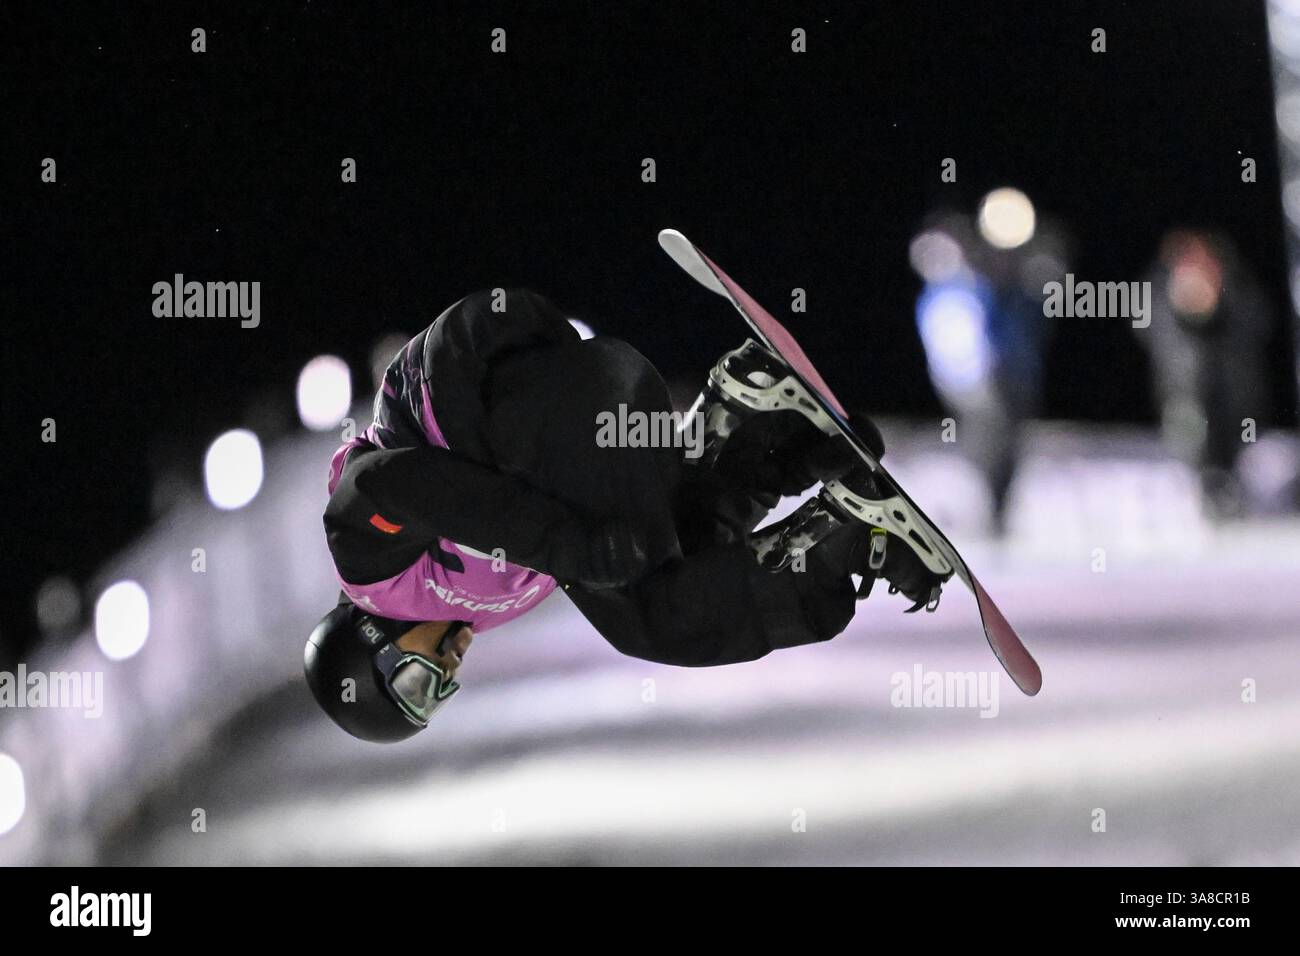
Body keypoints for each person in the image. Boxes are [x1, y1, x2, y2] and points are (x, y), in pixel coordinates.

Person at [304, 288, 947, 742]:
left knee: (651, 619)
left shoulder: (373, 575)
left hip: (513, 397)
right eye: (438, 698)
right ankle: (761, 424)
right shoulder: (471, 605)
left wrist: (567, 548)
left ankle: (856, 539)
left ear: (372, 646)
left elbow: (383, 483)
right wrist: (580, 550)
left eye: (419, 685)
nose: (447, 677)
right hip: (606, 402)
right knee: (670, 564)